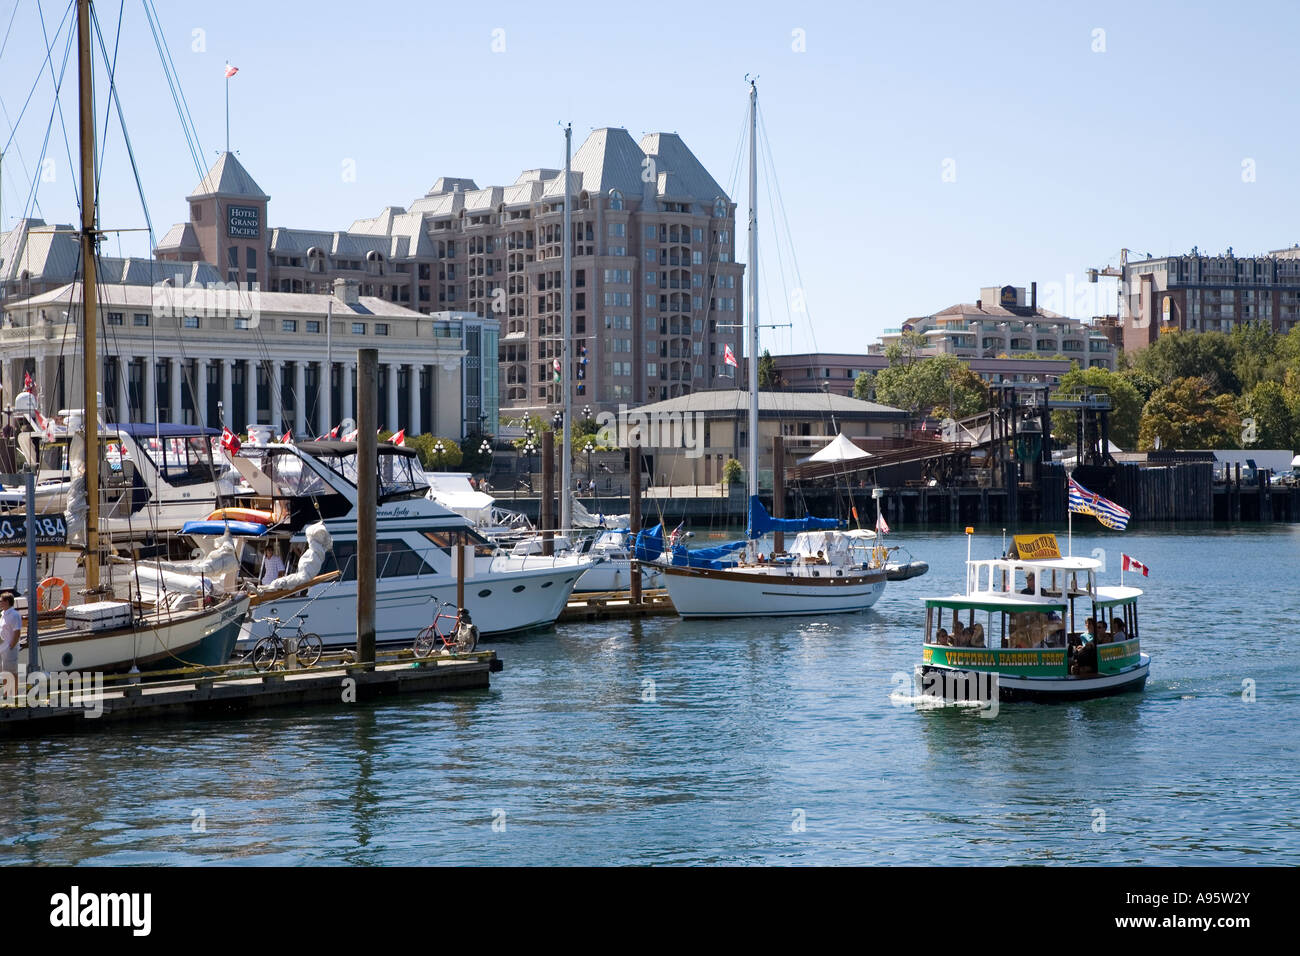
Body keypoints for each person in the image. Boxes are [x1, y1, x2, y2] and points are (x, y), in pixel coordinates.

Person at [0, 592, 21, 701]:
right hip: (2, 648)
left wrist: (11, 647)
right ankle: (6, 693)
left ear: (7, 602)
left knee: (12, 672)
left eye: (1, 601)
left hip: (9, 648)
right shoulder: (3, 614)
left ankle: (14, 693)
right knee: (4, 671)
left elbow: (17, 632)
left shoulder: (14, 615)